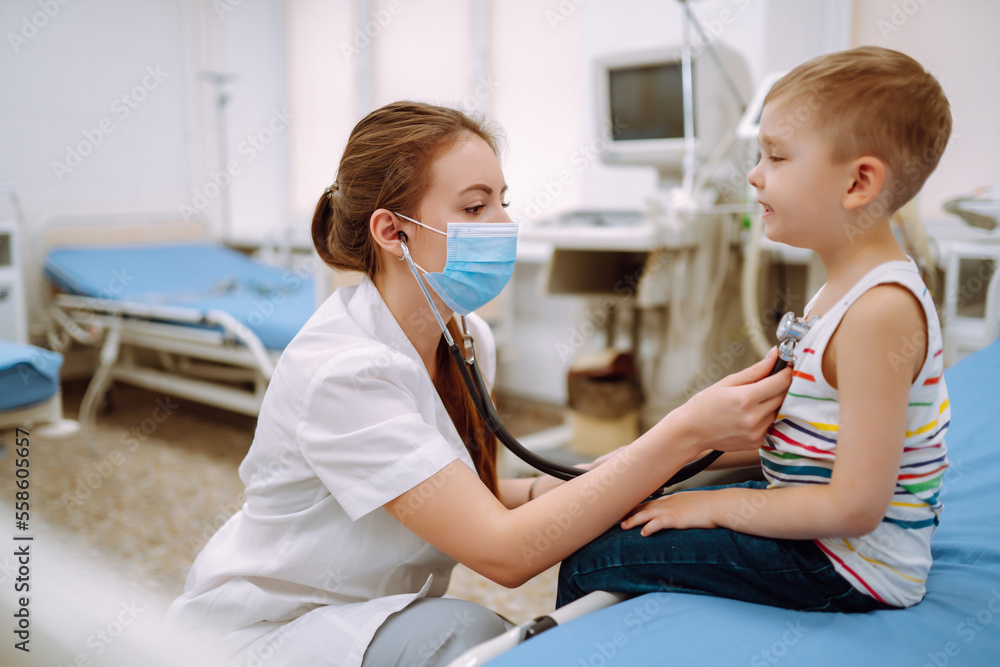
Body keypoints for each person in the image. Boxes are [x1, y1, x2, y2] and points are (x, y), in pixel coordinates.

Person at [166, 100, 792, 666]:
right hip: (271, 631)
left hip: (368, 609)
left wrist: (630, 466)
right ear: (392, 231)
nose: (501, 222)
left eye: (501, 200)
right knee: (470, 639)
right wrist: (682, 433)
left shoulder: (463, 338)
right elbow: (503, 553)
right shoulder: (344, 373)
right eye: (472, 206)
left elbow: (484, 492)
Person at [558, 46, 953, 613]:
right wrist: (644, 463)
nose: (754, 174)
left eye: (776, 157)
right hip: (813, 526)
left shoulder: (879, 313)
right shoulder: (841, 291)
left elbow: (855, 508)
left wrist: (710, 509)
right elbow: (786, 430)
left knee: (592, 560)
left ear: (858, 183)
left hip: (846, 563)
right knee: (623, 511)